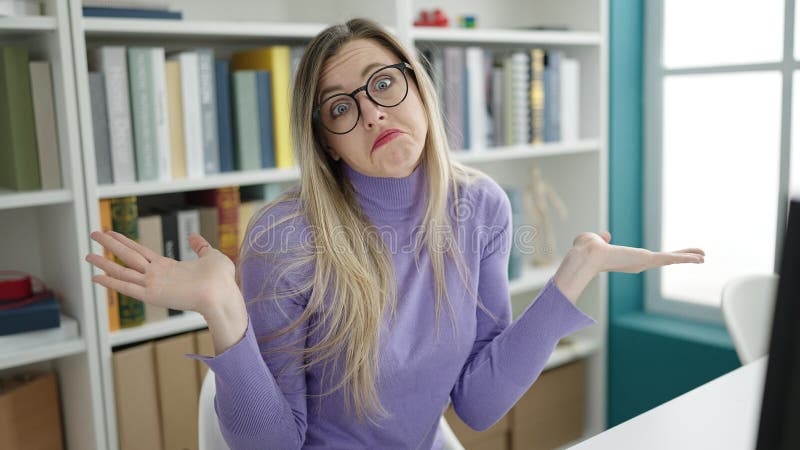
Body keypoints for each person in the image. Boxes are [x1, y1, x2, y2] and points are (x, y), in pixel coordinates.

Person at [84, 18, 705, 450]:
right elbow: (273, 441)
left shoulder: (480, 206)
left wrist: (577, 271)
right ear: (325, 141)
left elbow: (478, 404)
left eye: (383, 82)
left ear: (417, 84)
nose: (373, 112)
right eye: (341, 107)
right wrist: (224, 309)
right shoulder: (285, 237)